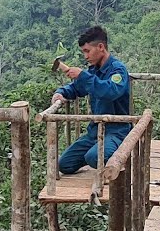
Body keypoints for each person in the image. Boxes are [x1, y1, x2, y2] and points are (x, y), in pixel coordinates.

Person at [52, 26, 131, 175]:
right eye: (83, 52)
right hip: (94, 131)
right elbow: (76, 88)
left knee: (94, 157)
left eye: (87, 51)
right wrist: (61, 93)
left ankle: (120, 154)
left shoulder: (117, 70)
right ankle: (99, 150)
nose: (85, 56)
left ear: (101, 47)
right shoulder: (93, 70)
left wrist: (83, 76)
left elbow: (110, 91)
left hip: (116, 131)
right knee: (64, 164)